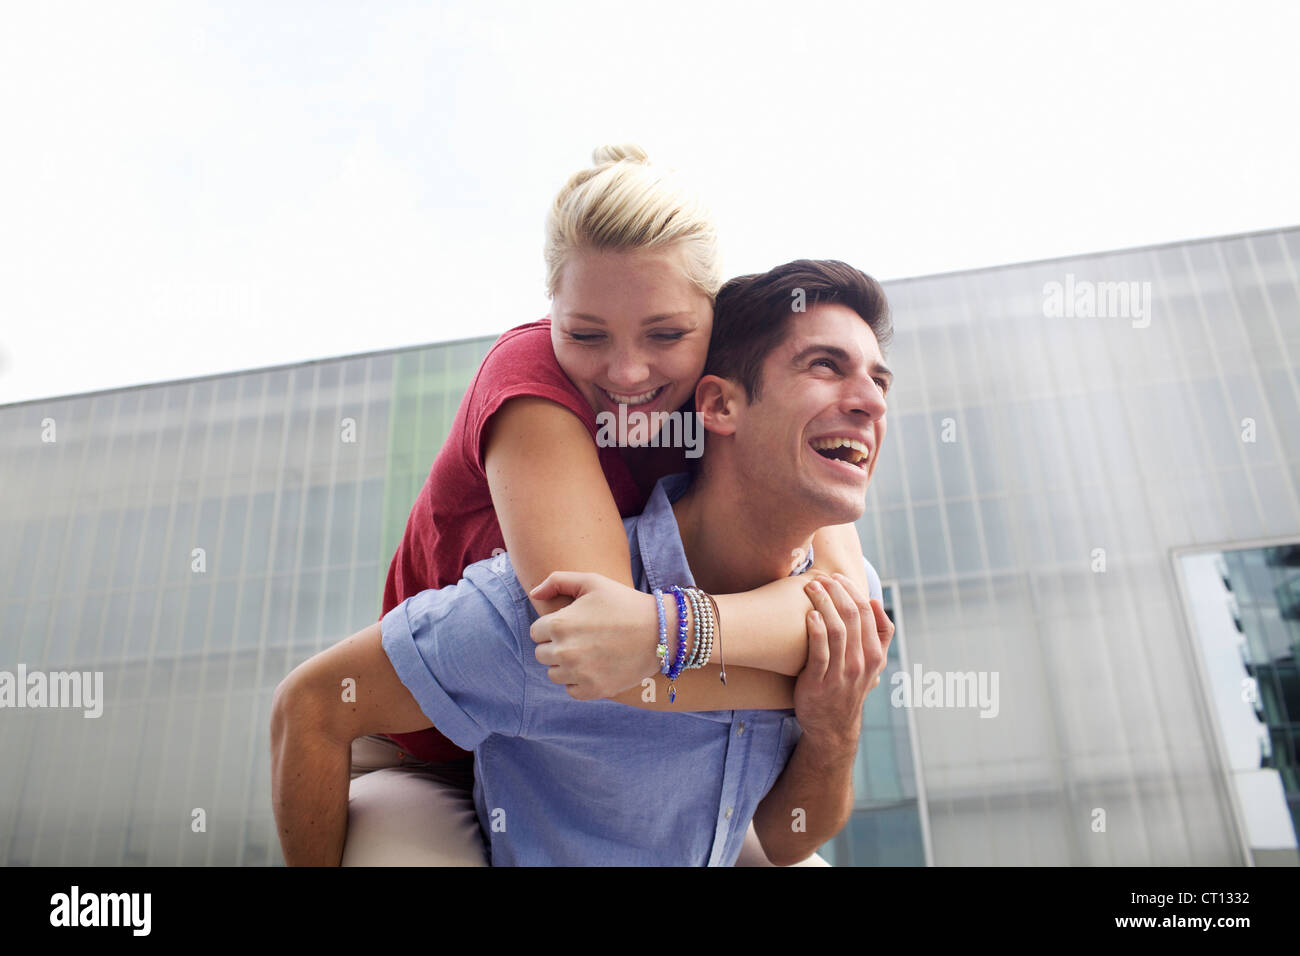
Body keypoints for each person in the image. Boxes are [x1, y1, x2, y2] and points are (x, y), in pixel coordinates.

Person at [315, 144, 879, 865]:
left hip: (579, 756)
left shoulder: (728, 395)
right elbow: (602, 653)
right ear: (550, 310)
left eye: (667, 335)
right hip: (429, 749)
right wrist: (813, 678)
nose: (626, 371)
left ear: (716, 323)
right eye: (585, 334)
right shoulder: (530, 384)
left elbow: (836, 595)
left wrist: (672, 630)